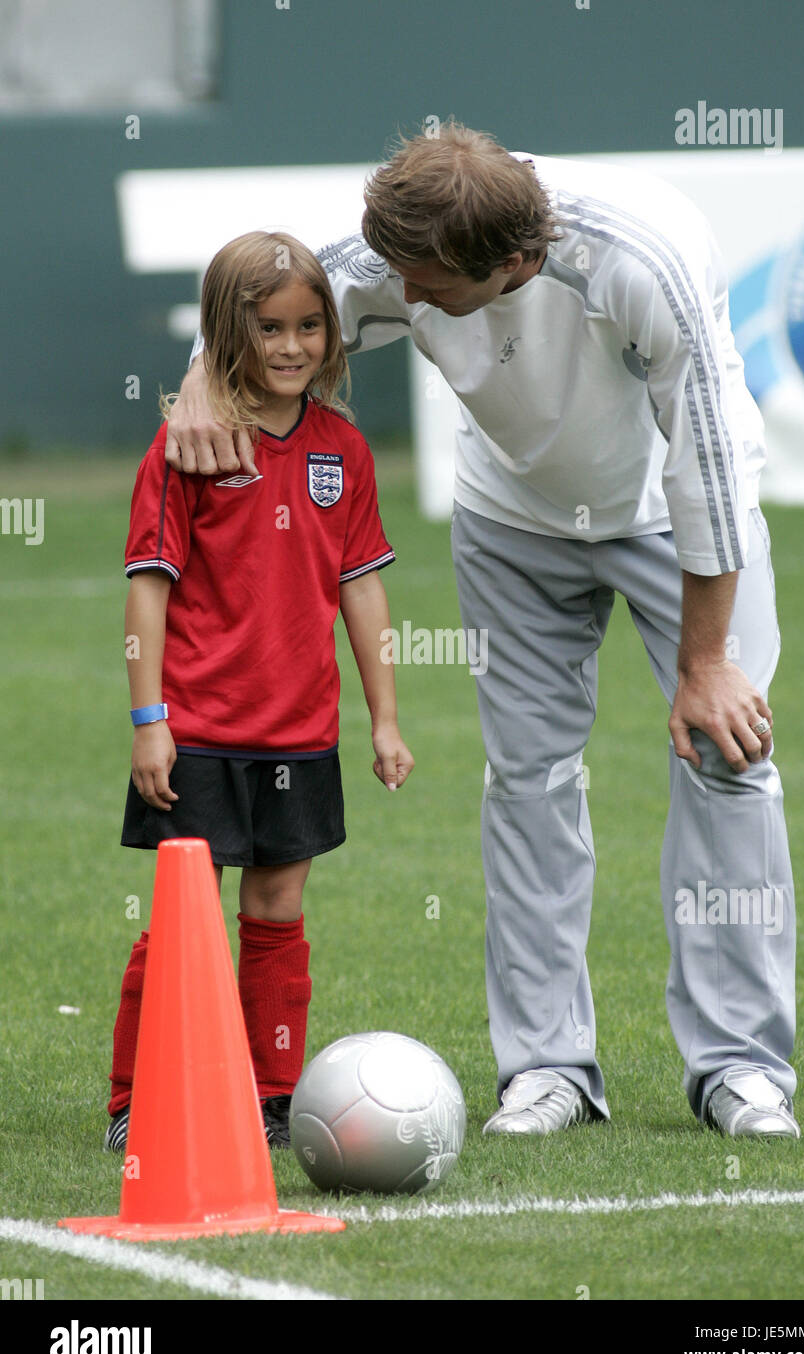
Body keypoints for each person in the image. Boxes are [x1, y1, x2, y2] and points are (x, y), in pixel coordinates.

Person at [165, 125, 800, 1141]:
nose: (403, 302)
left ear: (516, 262)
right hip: (511, 524)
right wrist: (200, 378)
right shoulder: (403, 252)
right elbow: (261, 305)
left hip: (670, 520)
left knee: (727, 760)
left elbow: (709, 464)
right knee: (528, 779)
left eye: (426, 287)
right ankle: (546, 1068)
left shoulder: (644, 263)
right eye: (397, 278)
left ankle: (739, 1070)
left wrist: (705, 661)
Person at [106, 230, 413, 1153]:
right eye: (270, 327)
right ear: (226, 333)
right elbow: (147, 585)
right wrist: (149, 720)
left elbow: (360, 585)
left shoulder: (343, 451)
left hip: (299, 736)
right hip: (197, 731)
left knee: (276, 918)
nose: (291, 346)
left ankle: (273, 1096)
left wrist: (384, 719)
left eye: (310, 326)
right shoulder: (190, 444)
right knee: (180, 926)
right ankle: (135, 1099)